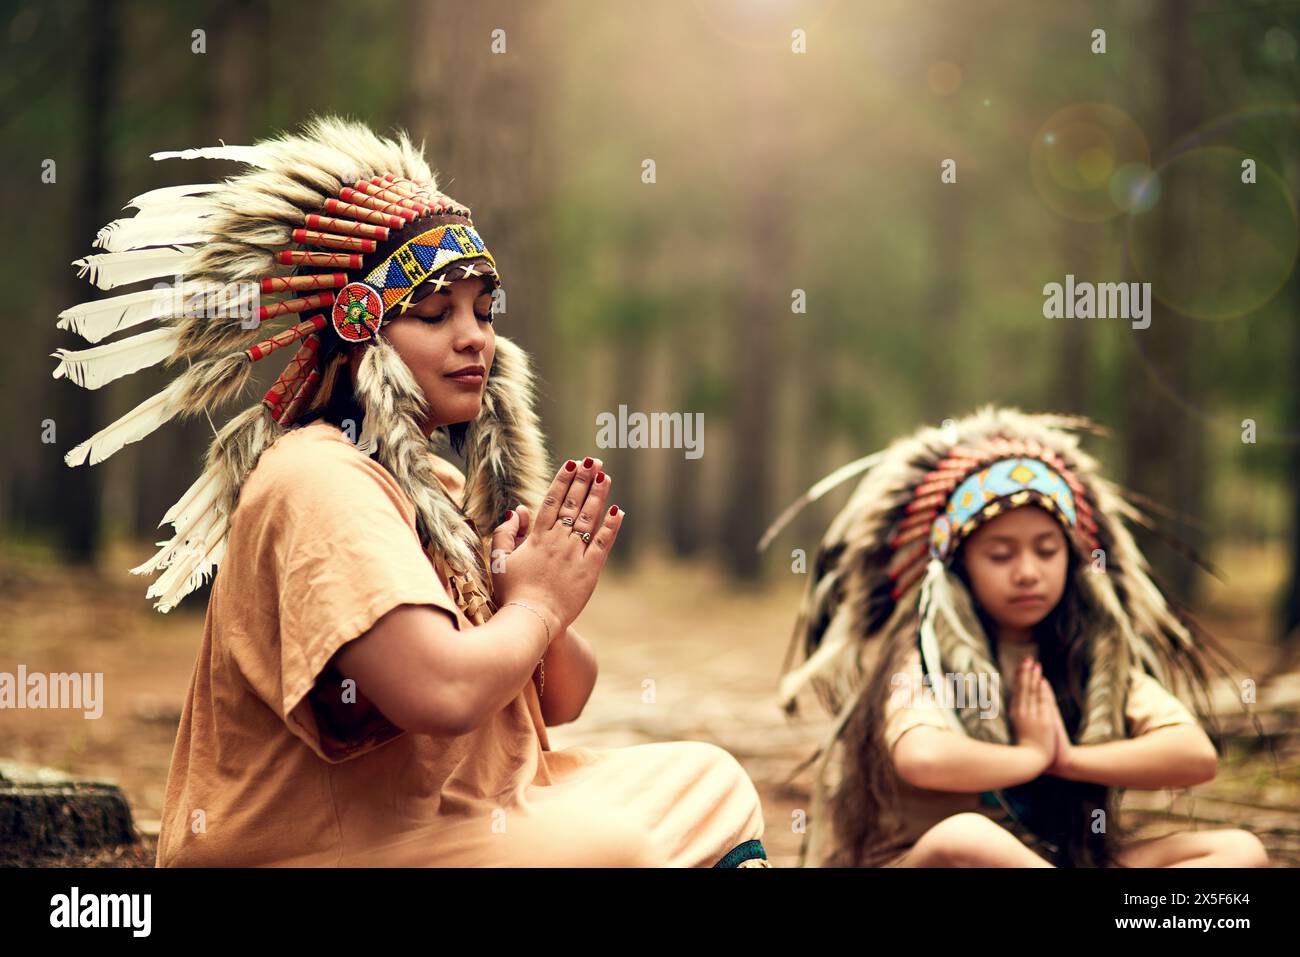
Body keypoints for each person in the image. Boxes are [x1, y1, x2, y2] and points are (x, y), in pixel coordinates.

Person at [53, 116, 769, 867]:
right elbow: (443, 692)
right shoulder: (317, 480)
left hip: (456, 819)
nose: (475, 338)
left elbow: (563, 699)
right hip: (315, 848)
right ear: (359, 332)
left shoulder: (438, 484)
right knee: (610, 848)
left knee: (709, 783)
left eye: (483, 311)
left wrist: (533, 592)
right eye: (435, 314)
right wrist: (536, 605)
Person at [764, 407, 1267, 867]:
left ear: (1072, 560)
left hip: (1057, 860)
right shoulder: (921, 655)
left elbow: (1194, 756)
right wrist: (1029, 755)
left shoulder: (1089, 653)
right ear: (959, 567)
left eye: (1046, 551)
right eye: (1001, 555)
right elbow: (921, 757)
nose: (1027, 572)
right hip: (929, 861)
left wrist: (1068, 760)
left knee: (1237, 851)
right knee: (967, 837)